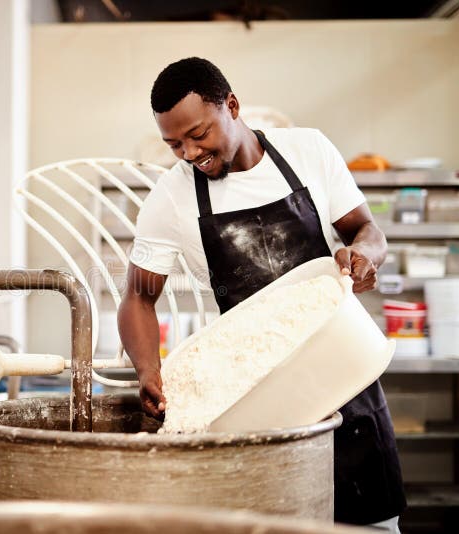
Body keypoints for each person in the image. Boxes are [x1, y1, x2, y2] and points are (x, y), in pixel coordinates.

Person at [117, 57, 406, 531]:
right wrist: (148, 368)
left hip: (344, 380)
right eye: (174, 145)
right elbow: (138, 297)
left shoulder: (307, 150)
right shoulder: (170, 199)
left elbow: (365, 230)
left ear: (231, 105)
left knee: (370, 522)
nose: (190, 153)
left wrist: (364, 257)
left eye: (199, 135)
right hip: (256, 399)